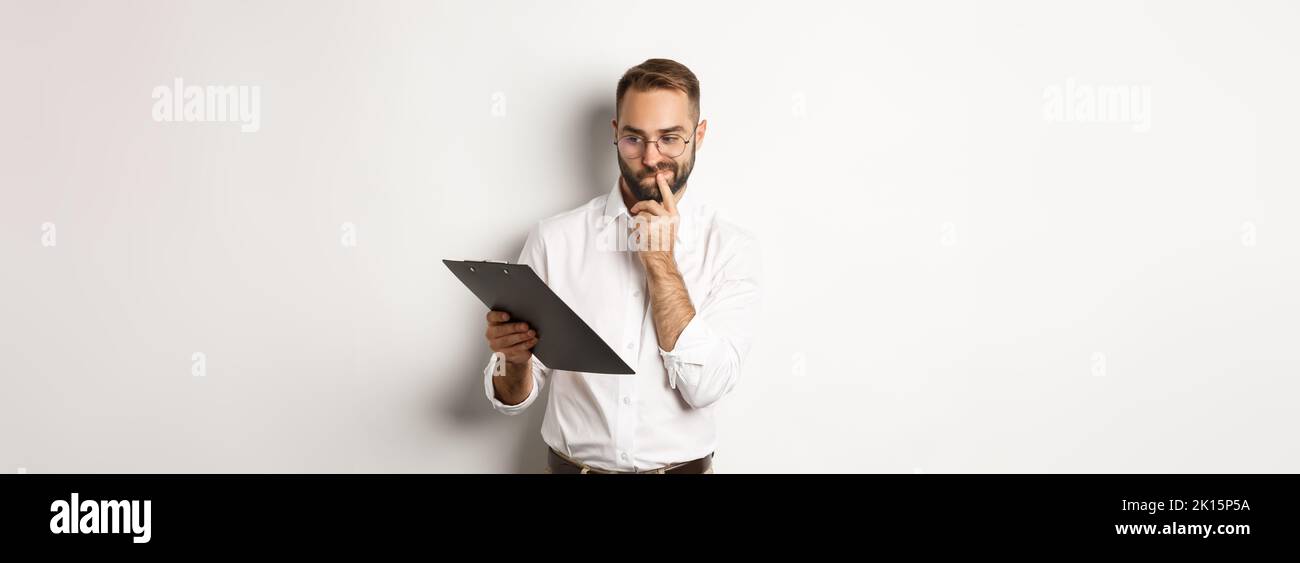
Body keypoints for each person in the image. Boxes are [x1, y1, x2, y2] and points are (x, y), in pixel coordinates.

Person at [480, 58, 761, 474]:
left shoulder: (730, 247)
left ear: (698, 135)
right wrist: (513, 360)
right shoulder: (554, 240)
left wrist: (661, 262)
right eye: (635, 139)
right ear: (615, 134)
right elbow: (512, 396)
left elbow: (706, 387)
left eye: (670, 138)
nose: (651, 158)